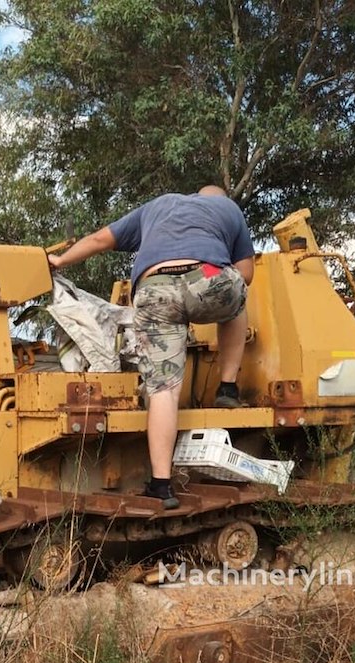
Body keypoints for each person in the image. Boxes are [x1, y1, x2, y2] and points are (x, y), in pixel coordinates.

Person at [47, 185, 254, 509]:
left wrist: (59, 260)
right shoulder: (229, 209)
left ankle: (161, 486)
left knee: (163, 391)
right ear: (220, 198)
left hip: (154, 287)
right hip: (209, 276)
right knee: (237, 297)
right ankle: (227, 387)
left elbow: (100, 240)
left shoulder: (158, 206)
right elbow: (246, 273)